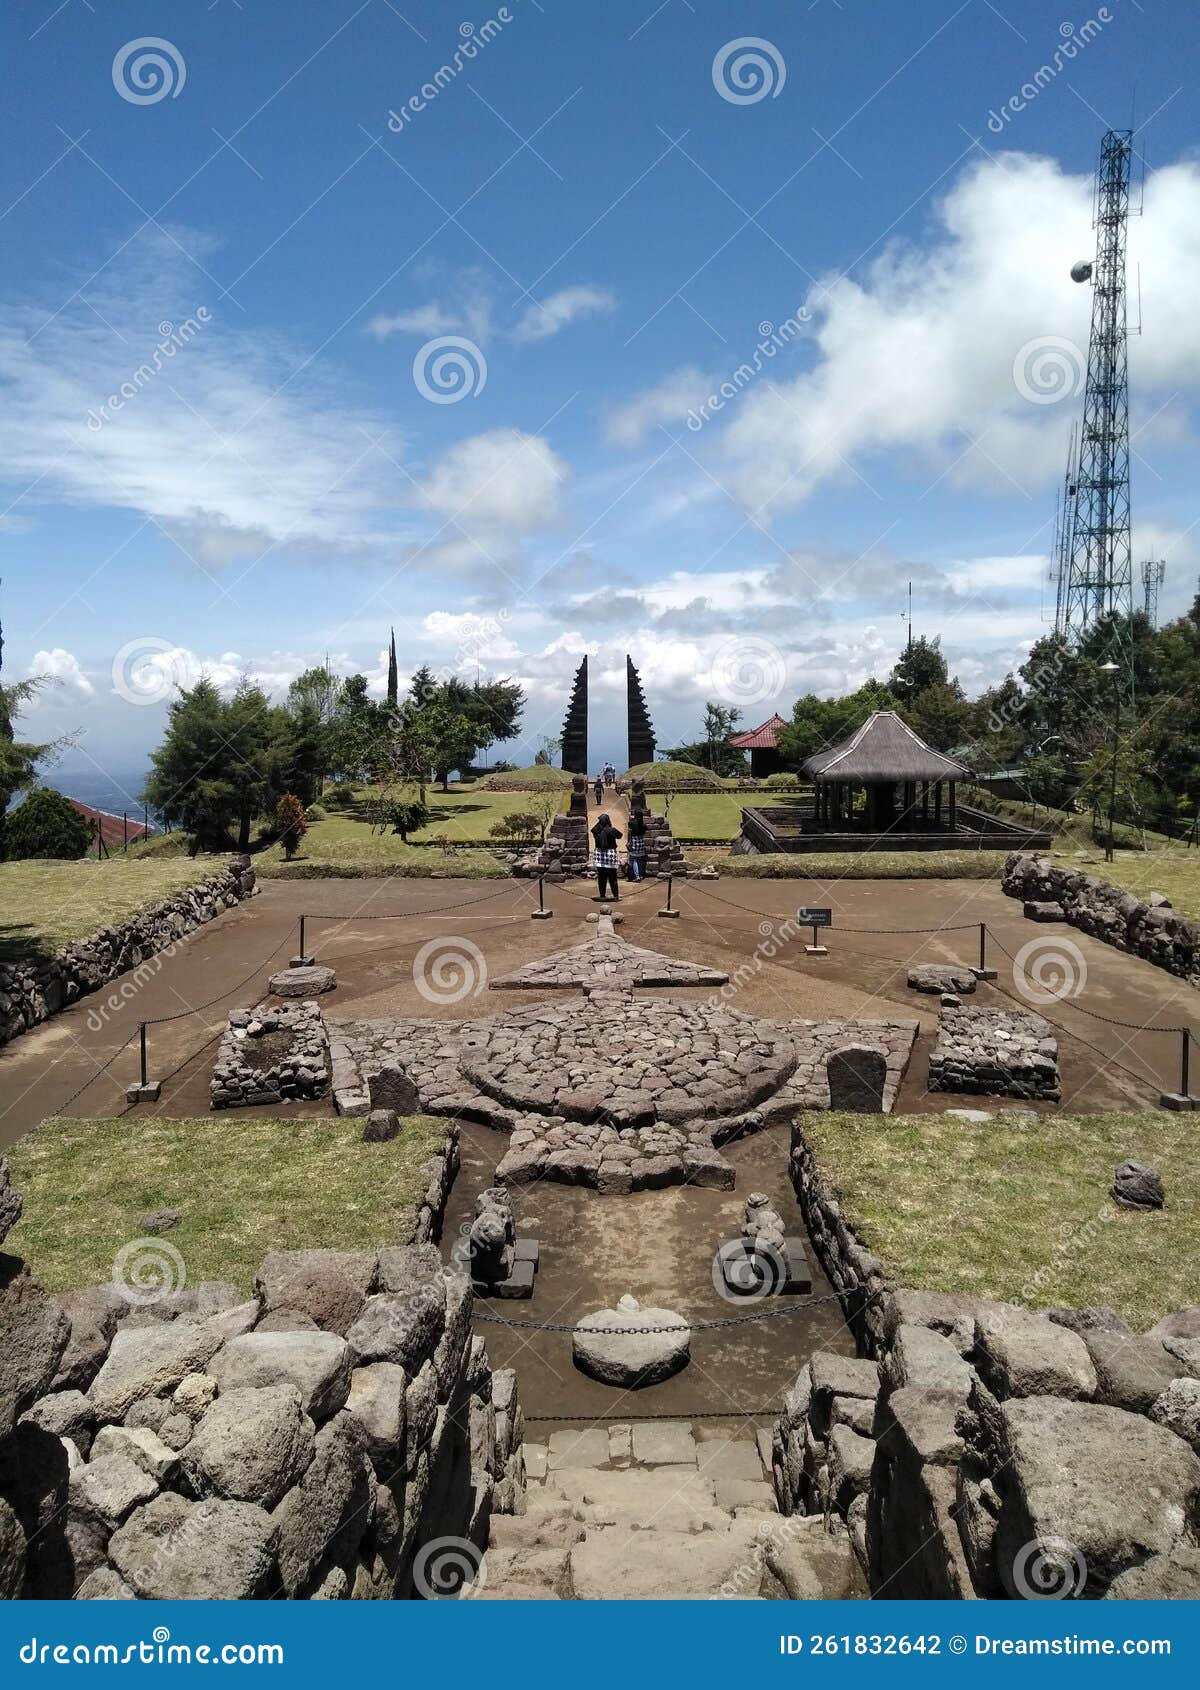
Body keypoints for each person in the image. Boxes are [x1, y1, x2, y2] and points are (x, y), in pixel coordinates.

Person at [591, 811, 622, 901]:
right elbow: (620, 836)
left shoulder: (596, 830)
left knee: (601, 877)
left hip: (599, 855)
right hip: (610, 855)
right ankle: (616, 896)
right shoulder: (612, 830)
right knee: (612, 877)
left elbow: (593, 829)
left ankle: (602, 895)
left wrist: (600, 823)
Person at [626, 809, 646, 881]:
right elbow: (645, 830)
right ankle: (641, 875)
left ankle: (636, 876)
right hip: (641, 842)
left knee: (634, 860)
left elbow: (629, 823)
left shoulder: (632, 823)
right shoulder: (643, 825)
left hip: (634, 842)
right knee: (640, 859)